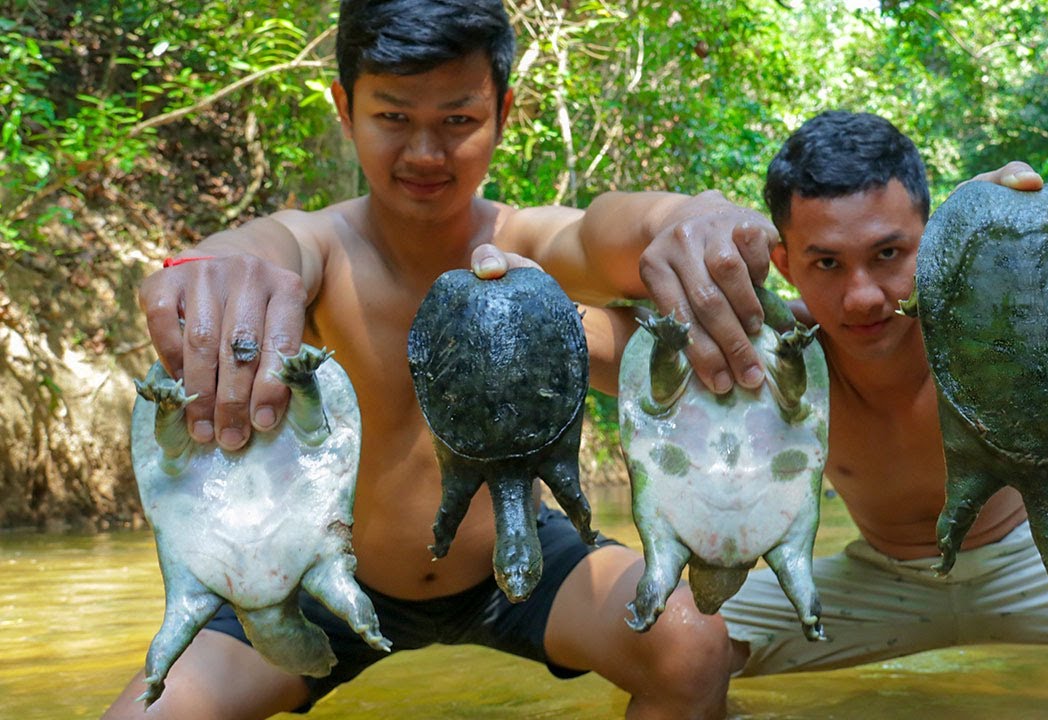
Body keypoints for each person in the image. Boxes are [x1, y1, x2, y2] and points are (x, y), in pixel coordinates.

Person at [103, 1, 760, 717]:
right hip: (322, 569)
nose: (424, 153)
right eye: (392, 118)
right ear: (344, 108)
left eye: (457, 120)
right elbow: (259, 251)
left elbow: (608, 231)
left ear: (503, 112)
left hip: (522, 559)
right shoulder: (318, 247)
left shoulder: (529, 243)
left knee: (694, 645)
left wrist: (680, 219)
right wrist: (214, 271)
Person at [639, 110, 1048, 686]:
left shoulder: (994, 310)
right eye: (828, 263)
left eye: (889, 253)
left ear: (932, 234)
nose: (863, 296)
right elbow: (570, 272)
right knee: (667, 644)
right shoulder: (763, 354)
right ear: (784, 263)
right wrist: (673, 222)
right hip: (870, 587)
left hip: (1030, 556)